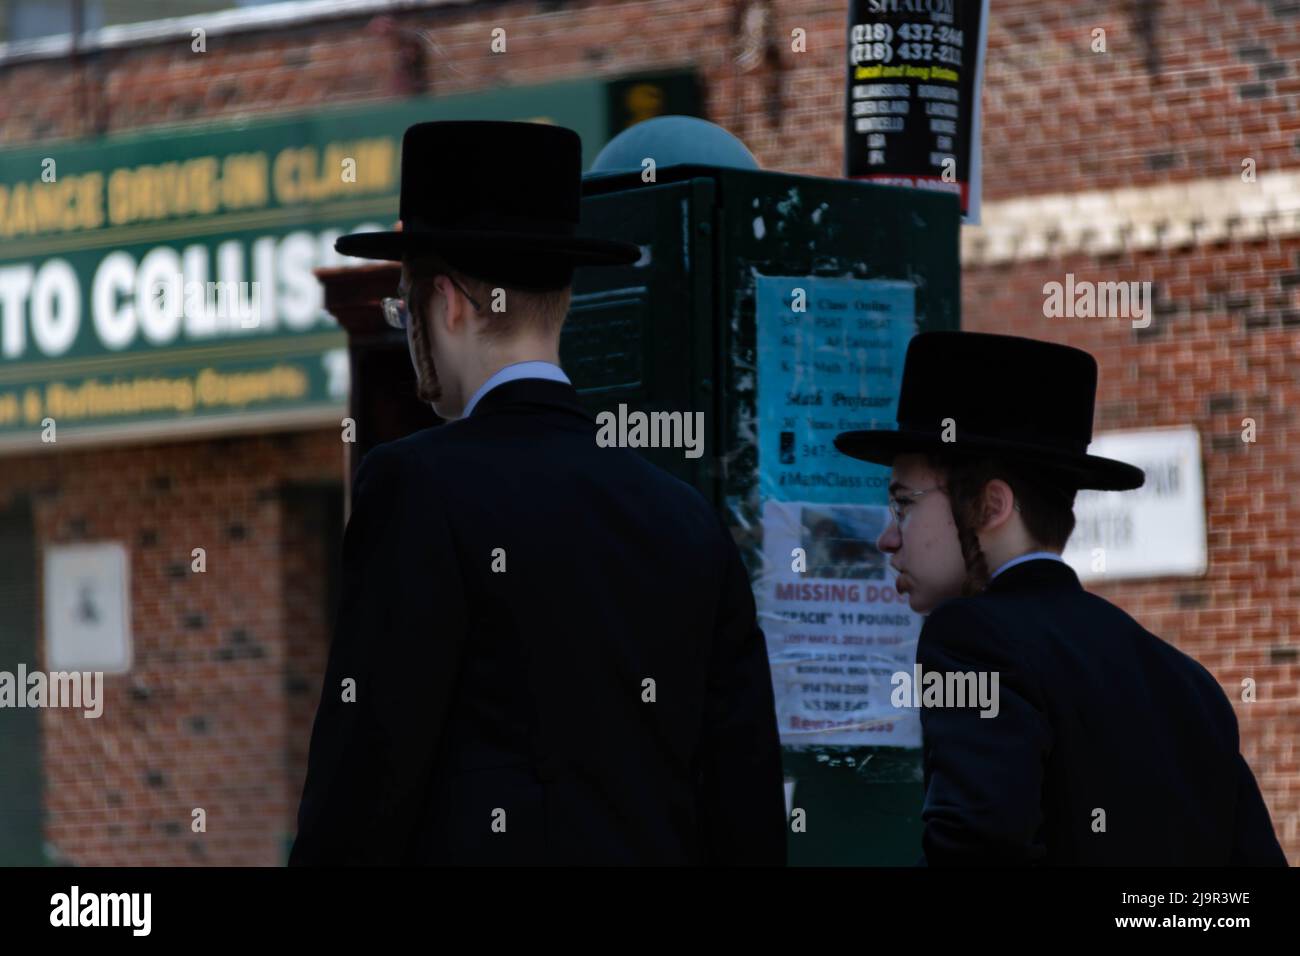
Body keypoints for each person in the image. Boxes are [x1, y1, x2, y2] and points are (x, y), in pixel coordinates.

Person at [289, 120, 786, 865]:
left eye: (405, 307)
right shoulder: (684, 518)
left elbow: (360, 796)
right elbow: (746, 820)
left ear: (449, 303)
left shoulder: (415, 487)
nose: (408, 326)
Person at [833, 330, 1288, 865]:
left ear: (990, 506)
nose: (887, 537)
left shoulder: (971, 639)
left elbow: (976, 851)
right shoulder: (1187, 682)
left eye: (903, 503)